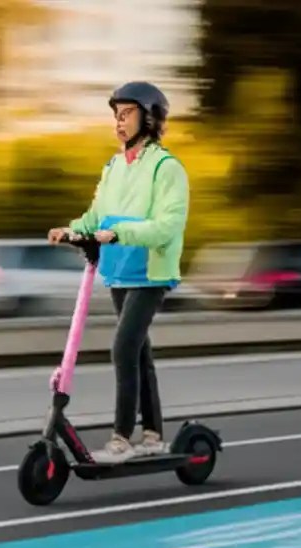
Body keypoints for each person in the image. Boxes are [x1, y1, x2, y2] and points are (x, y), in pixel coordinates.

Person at [48, 81, 190, 464]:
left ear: (149, 117)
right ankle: (153, 434)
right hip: (118, 270)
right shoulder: (113, 167)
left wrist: (119, 232)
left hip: (151, 272)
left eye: (126, 113)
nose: (119, 121)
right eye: (116, 114)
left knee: (123, 348)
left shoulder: (167, 168)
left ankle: (122, 436)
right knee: (140, 353)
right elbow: (95, 217)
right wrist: (72, 229)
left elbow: (167, 227)